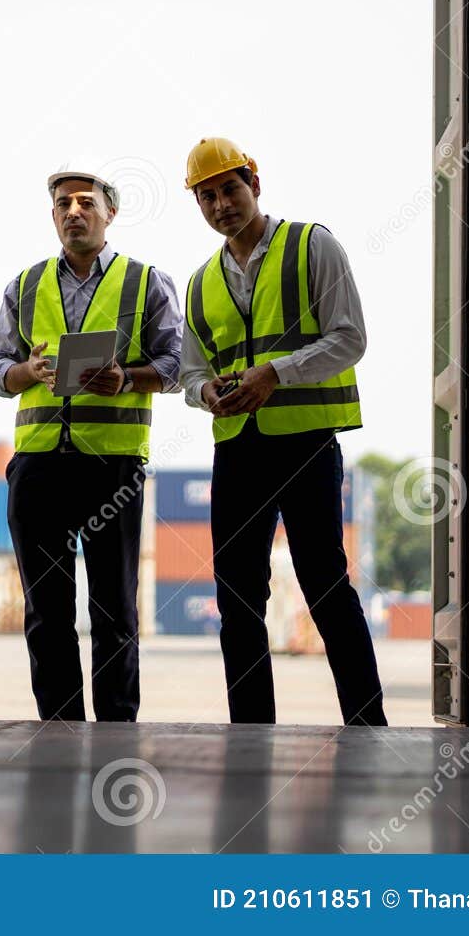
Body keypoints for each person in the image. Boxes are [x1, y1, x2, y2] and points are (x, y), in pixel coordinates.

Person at [179, 137, 387, 725]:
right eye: (208, 196)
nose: (222, 204)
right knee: (237, 598)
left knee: (325, 585)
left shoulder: (311, 245)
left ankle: (367, 725)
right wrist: (205, 393)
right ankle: (251, 731)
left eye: (230, 189)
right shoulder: (199, 284)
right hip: (238, 451)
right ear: (199, 205)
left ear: (256, 184)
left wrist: (276, 373)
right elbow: (192, 372)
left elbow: (350, 338)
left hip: (307, 443)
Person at [0, 157, 185, 721]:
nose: (74, 212)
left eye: (86, 203)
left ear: (110, 214)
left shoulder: (147, 283)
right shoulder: (22, 287)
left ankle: (117, 726)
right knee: (45, 610)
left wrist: (128, 377)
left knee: (115, 608)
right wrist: (27, 372)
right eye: (63, 205)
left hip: (112, 467)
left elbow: (178, 365)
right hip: (39, 466)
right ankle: (60, 726)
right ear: (52, 217)